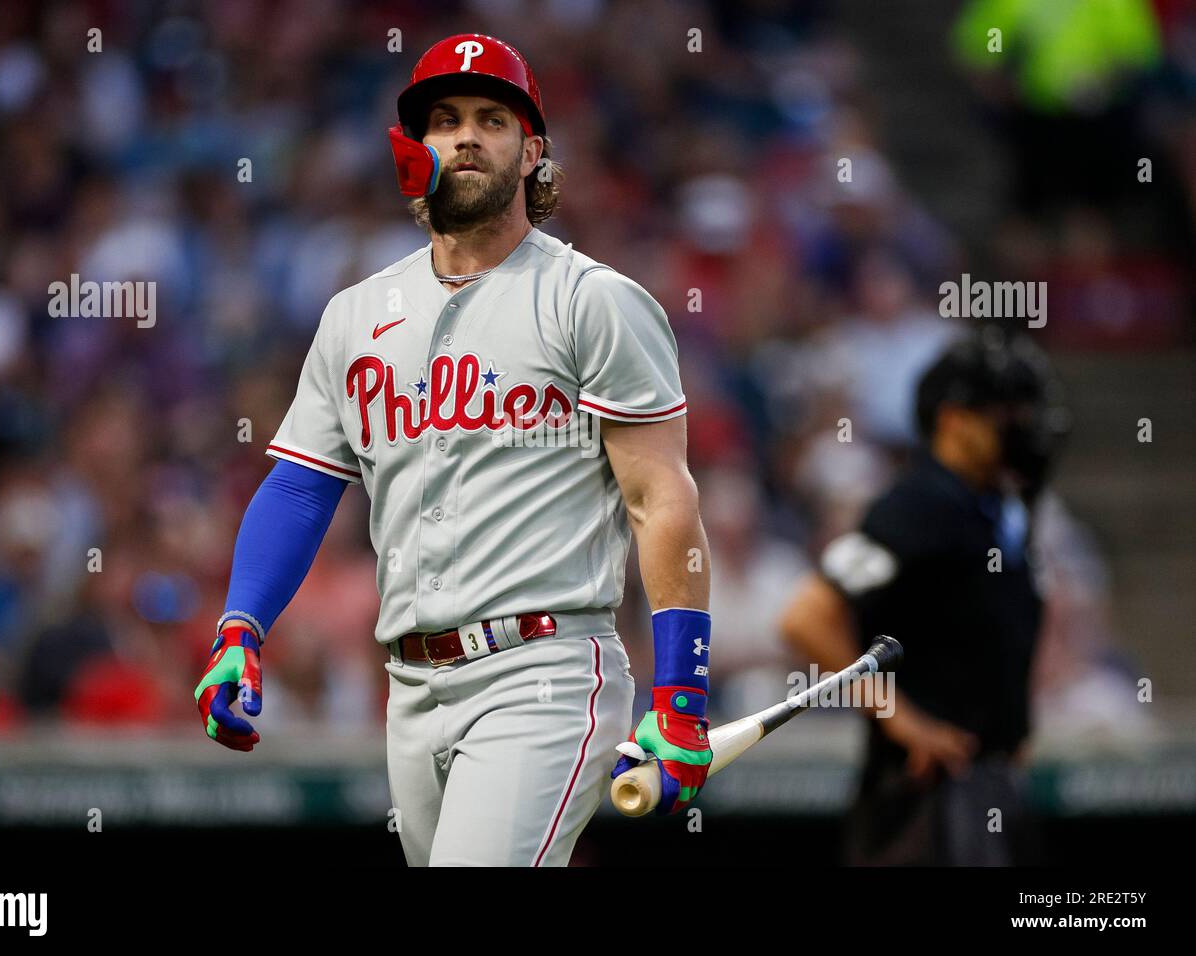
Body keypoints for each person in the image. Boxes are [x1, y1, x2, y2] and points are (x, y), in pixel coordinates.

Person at [192, 34, 714, 866]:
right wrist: (239, 628)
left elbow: (661, 497)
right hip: (408, 690)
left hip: (543, 673)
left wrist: (681, 687)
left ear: (532, 150)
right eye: (444, 120)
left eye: (491, 119)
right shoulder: (355, 314)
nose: (466, 136)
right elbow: (299, 490)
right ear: (414, 148)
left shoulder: (595, 301)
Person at [780, 326, 1069, 865]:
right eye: (1006, 412)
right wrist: (901, 718)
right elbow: (807, 618)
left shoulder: (990, 509)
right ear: (954, 419)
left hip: (982, 788)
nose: (1024, 427)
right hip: (925, 801)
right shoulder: (918, 504)